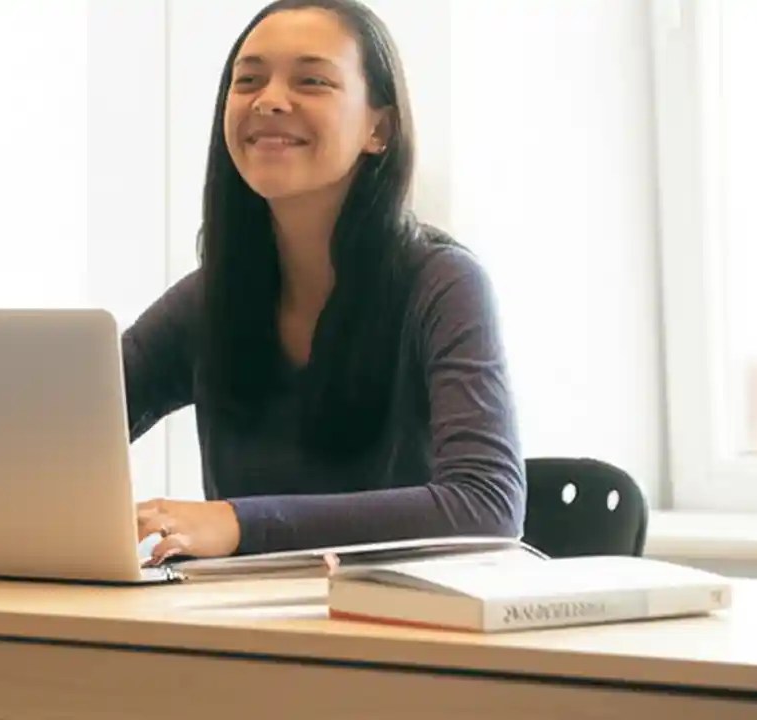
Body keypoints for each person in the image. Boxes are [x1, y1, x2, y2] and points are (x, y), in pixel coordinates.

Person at [126, 0, 524, 565]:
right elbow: (65, 429)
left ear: (378, 128)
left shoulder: (443, 284)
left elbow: (487, 505)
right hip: (237, 634)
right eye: (249, 80)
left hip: (407, 630)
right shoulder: (210, 297)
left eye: (311, 80)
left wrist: (238, 523)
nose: (269, 99)